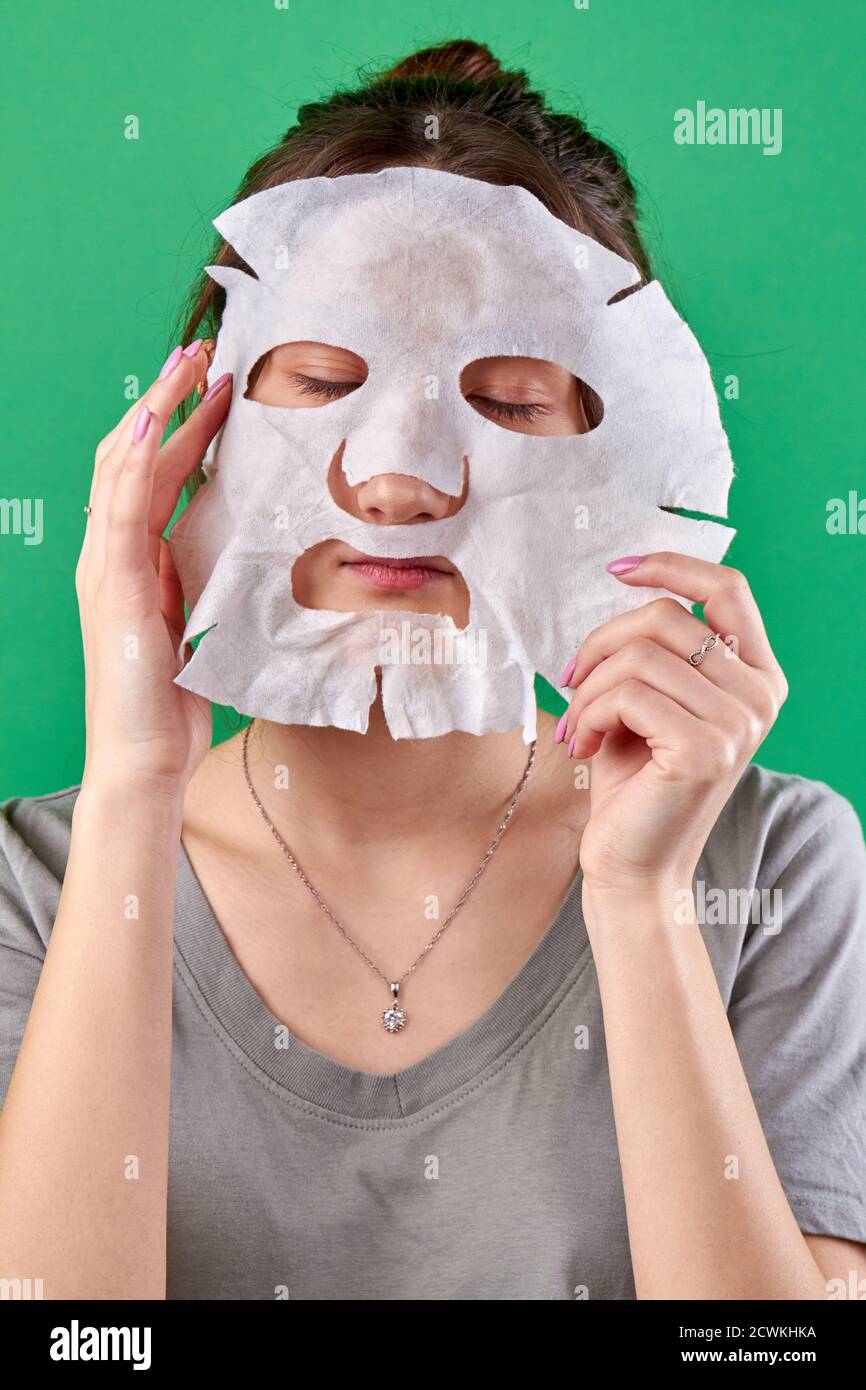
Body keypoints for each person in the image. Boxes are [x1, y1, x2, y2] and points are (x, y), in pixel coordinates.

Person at [1, 39, 864, 1302]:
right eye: (324, 383)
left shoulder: (773, 864)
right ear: (202, 428)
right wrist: (133, 781)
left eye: (508, 404)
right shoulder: (38, 885)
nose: (399, 480)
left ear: (622, 465)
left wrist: (637, 901)